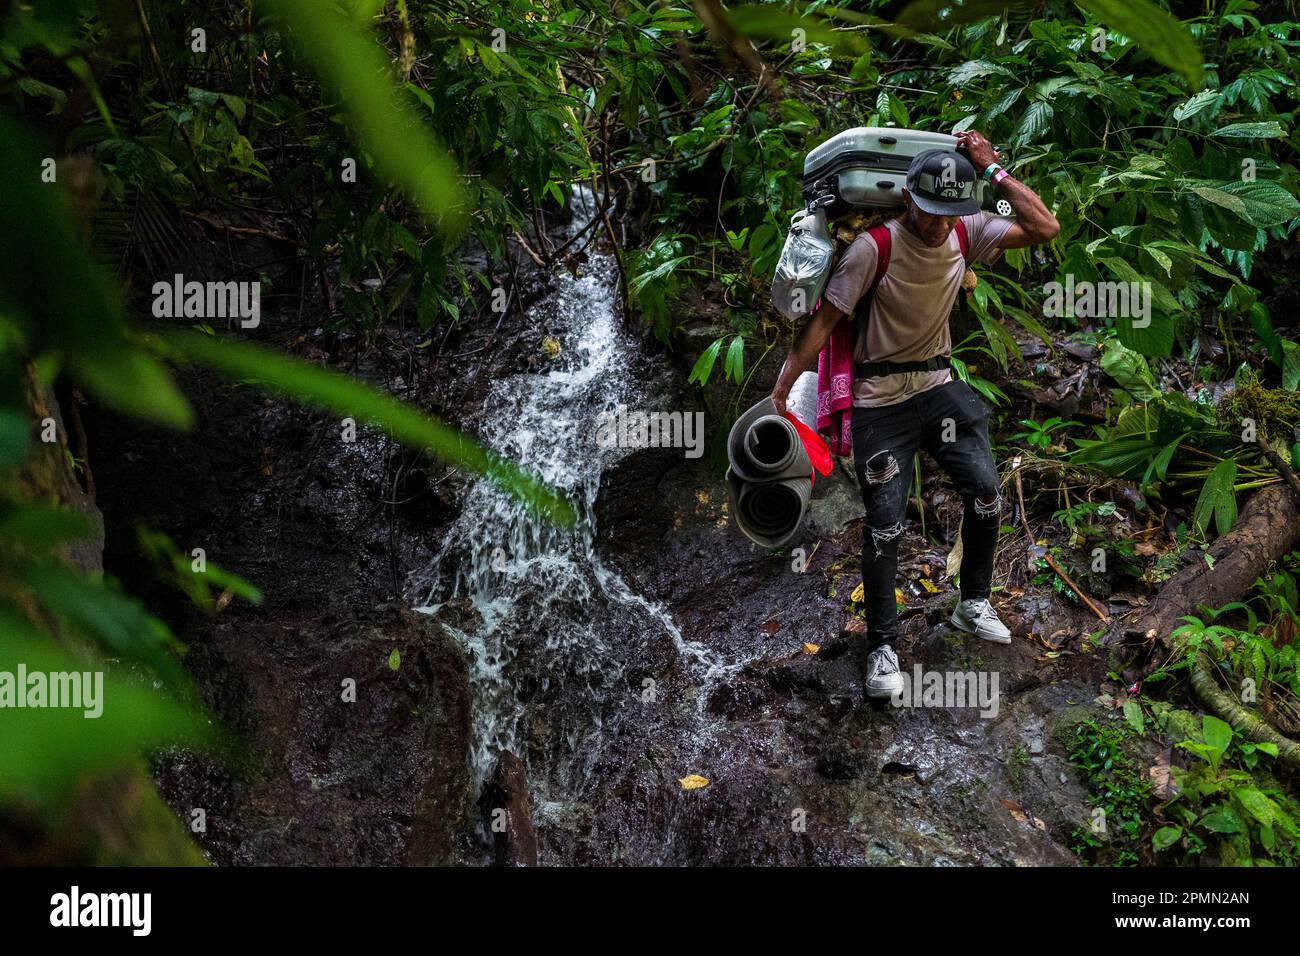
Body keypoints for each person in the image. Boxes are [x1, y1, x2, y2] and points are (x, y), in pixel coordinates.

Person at [769, 130, 1060, 700]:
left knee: (985, 492)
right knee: (884, 520)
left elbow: (1044, 227)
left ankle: (971, 603)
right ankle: (882, 646)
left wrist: (993, 170)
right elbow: (822, 327)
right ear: (908, 200)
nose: (936, 226)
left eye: (947, 214)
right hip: (882, 401)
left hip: (938, 385)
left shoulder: (966, 230)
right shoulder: (871, 249)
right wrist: (782, 392)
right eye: (928, 213)